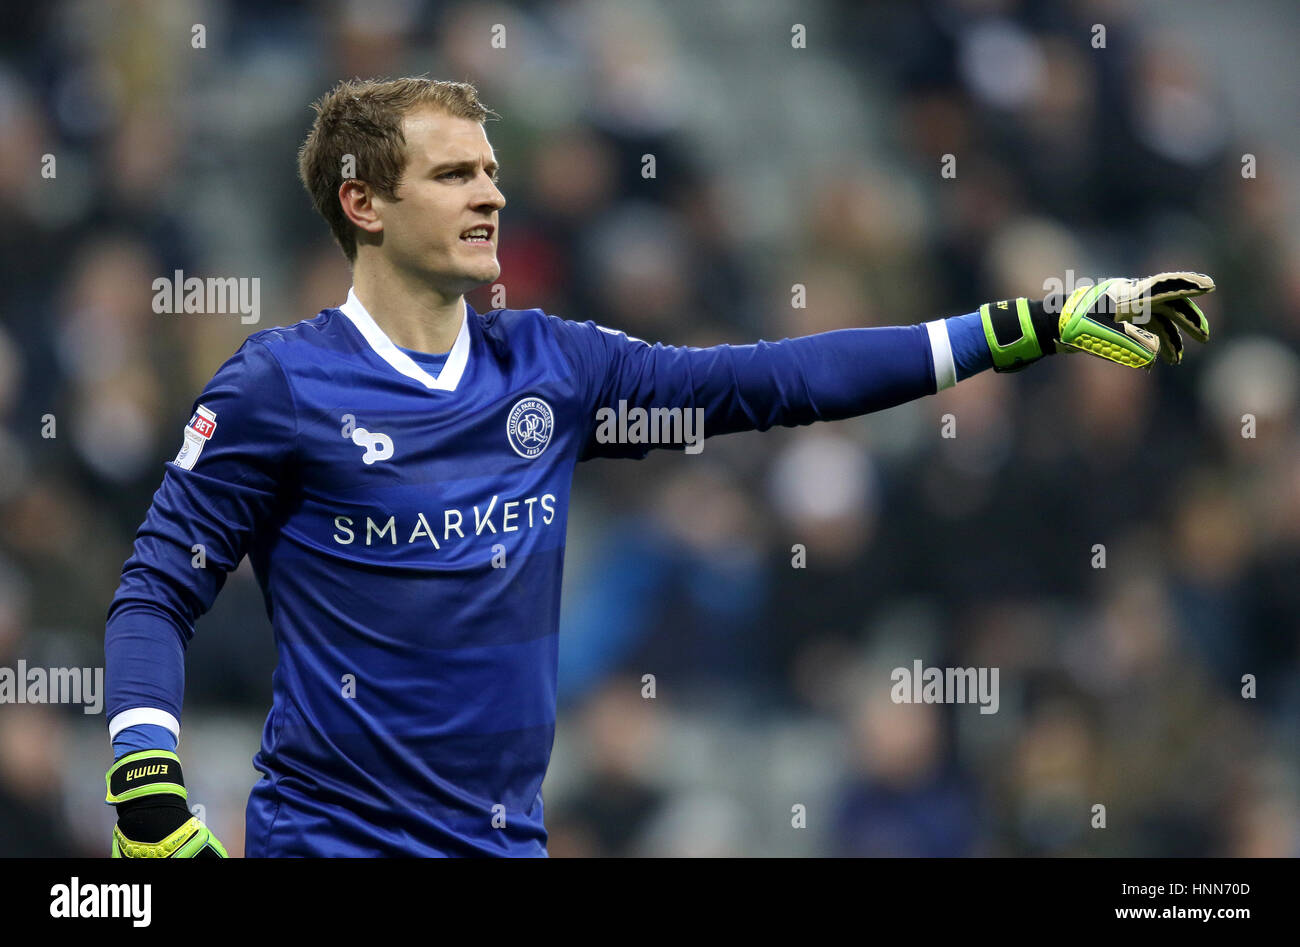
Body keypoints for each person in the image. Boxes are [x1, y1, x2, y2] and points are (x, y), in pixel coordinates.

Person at [102, 76, 1214, 857]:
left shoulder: (551, 367)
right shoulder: (277, 386)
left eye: (491, 171)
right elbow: (157, 585)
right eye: (452, 176)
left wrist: (1029, 324)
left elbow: (781, 380)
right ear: (364, 205)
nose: (492, 194)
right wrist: (146, 772)